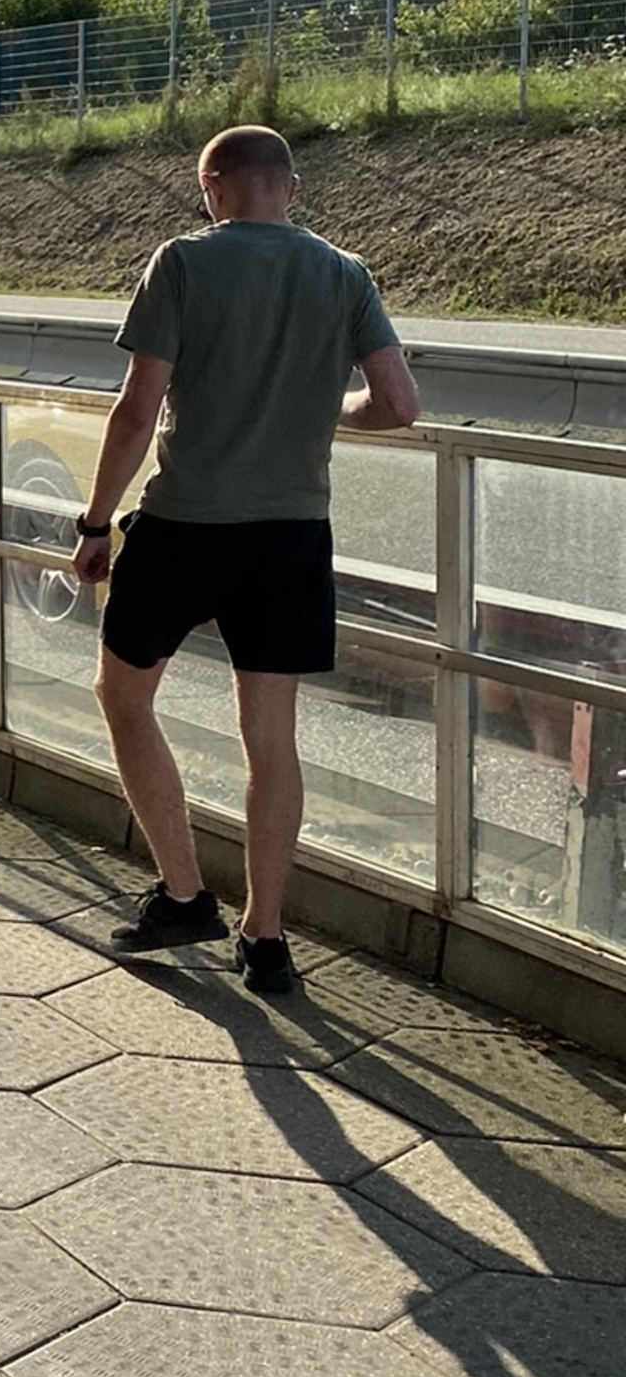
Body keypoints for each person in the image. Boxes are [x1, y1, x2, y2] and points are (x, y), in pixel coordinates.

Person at [72, 124, 420, 998]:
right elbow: (398, 404)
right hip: (291, 535)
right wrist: (318, 408)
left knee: (122, 695)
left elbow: (137, 406)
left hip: (187, 524)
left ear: (211, 187)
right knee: (272, 739)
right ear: (290, 190)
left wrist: (97, 520)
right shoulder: (345, 273)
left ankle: (186, 893)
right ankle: (266, 939)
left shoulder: (182, 262)